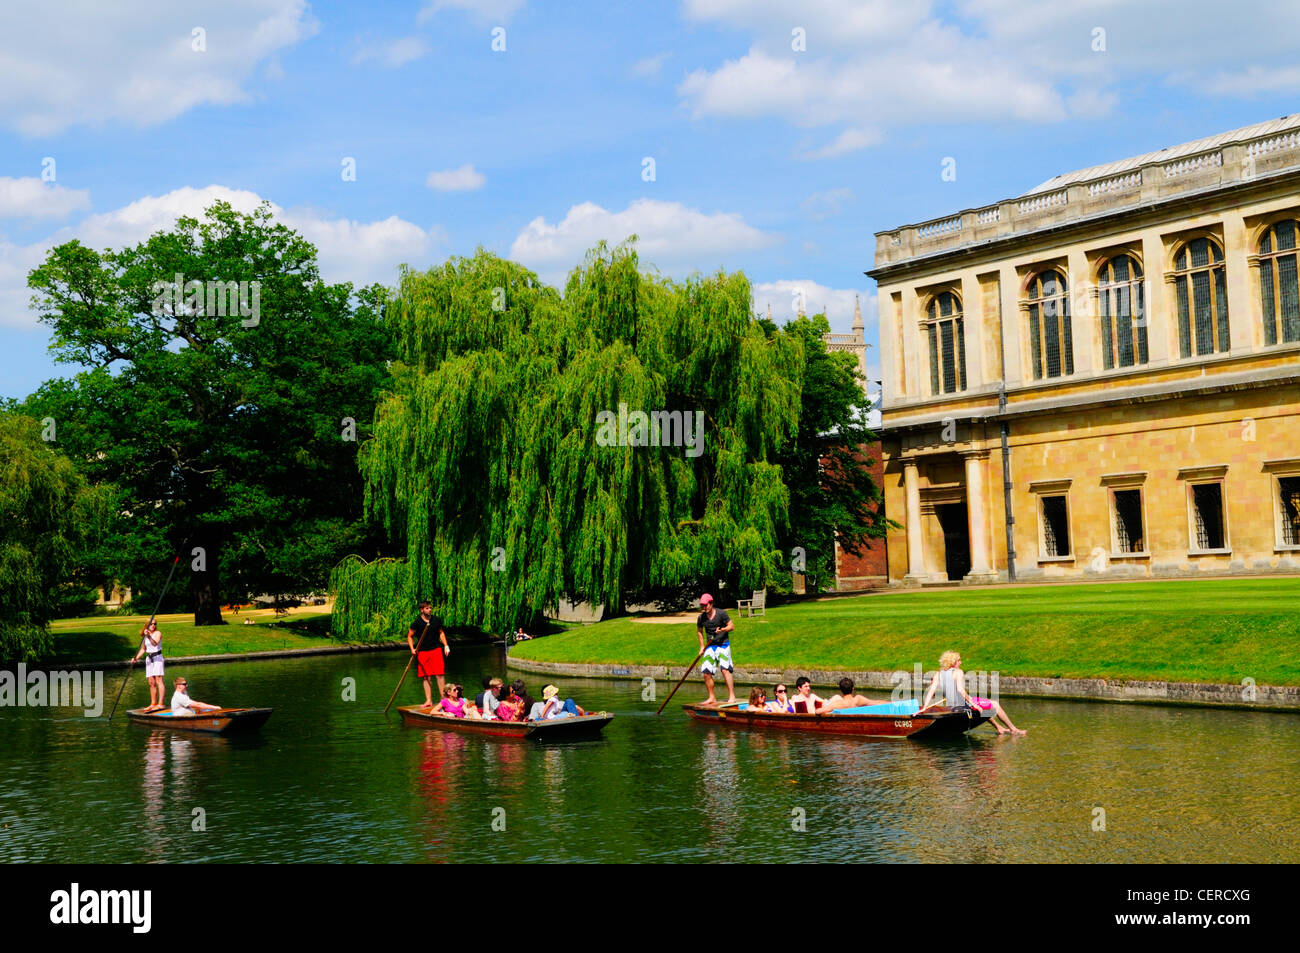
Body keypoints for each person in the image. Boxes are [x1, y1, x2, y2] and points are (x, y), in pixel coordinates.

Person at [921, 651, 1026, 735]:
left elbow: (931, 691)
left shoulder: (938, 674)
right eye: (958, 660)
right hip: (964, 706)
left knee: (984, 706)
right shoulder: (958, 672)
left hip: (953, 706)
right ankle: (1013, 729)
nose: (960, 662)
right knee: (995, 704)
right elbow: (961, 691)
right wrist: (974, 704)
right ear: (952, 662)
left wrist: (925, 707)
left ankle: (999, 727)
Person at [406, 601, 449, 710]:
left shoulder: (436, 620)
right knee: (426, 676)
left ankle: (443, 699)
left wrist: (446, 645)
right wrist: (412, 649)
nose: (429, 610)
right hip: (423, 652)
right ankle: (429, 700)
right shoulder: (417, 623)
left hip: (436, 649)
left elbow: (441, 633)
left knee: (440, 674)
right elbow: (410, 636)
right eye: (427, 608)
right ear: (422, 610)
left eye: (430, 608)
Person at [695, 593, 736, 706]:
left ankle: (732, 696)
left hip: (723, 645)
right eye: (702, 605)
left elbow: (731, 626)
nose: (704, 607)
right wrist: (702, 646)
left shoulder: (721, 613)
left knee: (724, 670)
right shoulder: (701, 617)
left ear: (711, 603)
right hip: (710, 646)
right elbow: (699, 631)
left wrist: (722, 630)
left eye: (705, 605)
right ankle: (711, 697)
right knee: (706, 672)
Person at [130, 620, 166, 712]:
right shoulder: (145, 636)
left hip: (157, 658)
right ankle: (153, 703)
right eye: (151, 624)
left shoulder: (158, 633)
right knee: (151, 682)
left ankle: (160, 704)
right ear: (147, 625)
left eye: (155, 624)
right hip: (149, 659)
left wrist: (149, 636)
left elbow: (155, 643)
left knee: (159, 680)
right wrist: (136, 658)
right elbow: (143, 649)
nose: (153, 625)